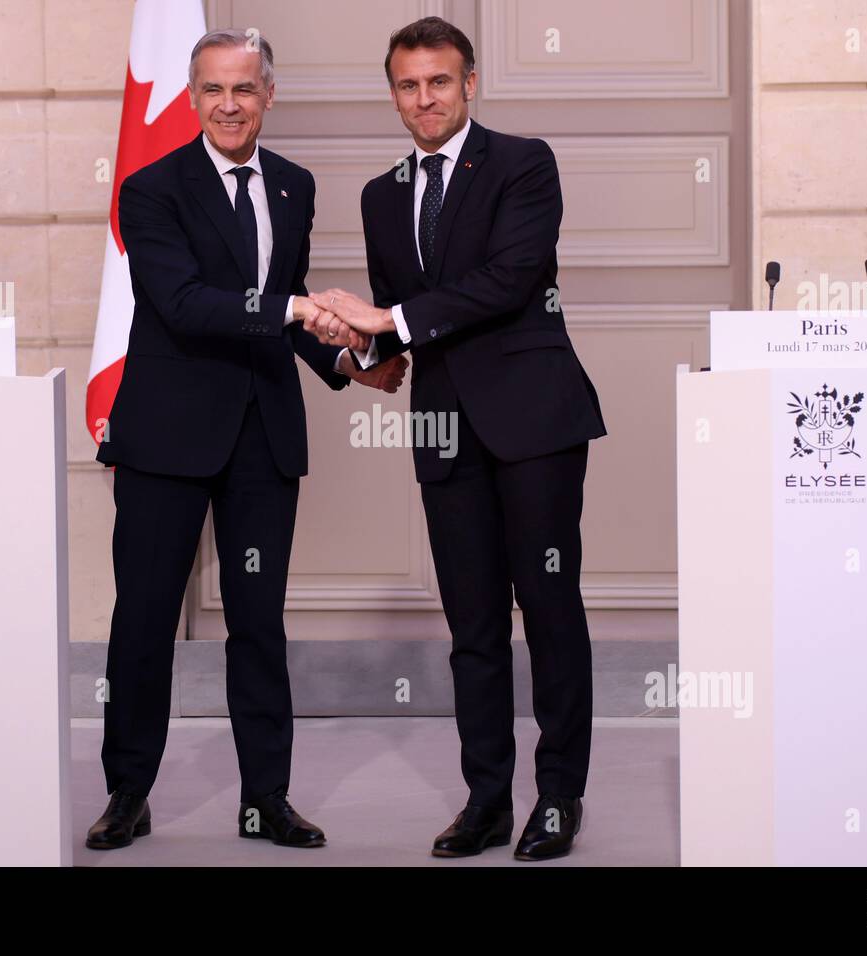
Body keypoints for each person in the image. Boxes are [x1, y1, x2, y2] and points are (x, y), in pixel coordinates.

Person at [87, 28, 407, 851]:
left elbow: (281, 299)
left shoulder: (295, 186)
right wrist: (299, 311)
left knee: (259, 622)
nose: (229, 105)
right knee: (145, 619)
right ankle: (128, 791)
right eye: (213, 90)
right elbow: (187, 303)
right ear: (192, 98)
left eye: (244, 89)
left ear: (270, 95)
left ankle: (265, 796)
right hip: (165, 439)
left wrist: (344, 363)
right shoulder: (149, 189)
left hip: (262, 439)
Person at [307, 16, 606, 861]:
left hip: (536, 421)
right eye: (408, 84)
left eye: (440, 81)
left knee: (548, 610)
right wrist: (361, 348)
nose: (425, 98)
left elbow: (511, 280)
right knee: (471, 625)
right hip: (444, 427)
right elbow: (396, 321)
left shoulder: (523, 162)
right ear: (394, 93)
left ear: (469, 83)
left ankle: (558, 798)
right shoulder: (379, 193)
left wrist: (389, 319)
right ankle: (485, 800)